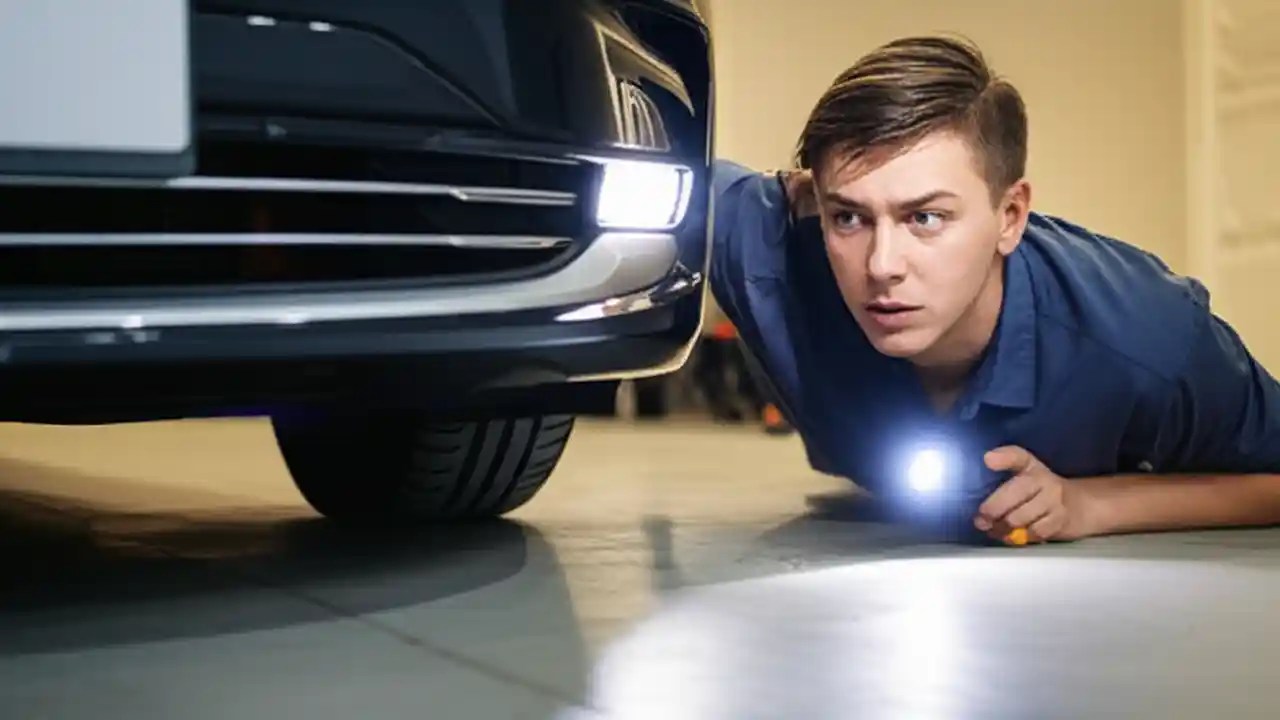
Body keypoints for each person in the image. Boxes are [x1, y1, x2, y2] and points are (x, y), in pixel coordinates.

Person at [710, 35, 1280, 544]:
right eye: (850, 218)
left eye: (925, 218)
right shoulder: (768, 245)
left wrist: (1091, 505)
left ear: (1010, 216)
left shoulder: (1147, 338)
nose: (882, 266)